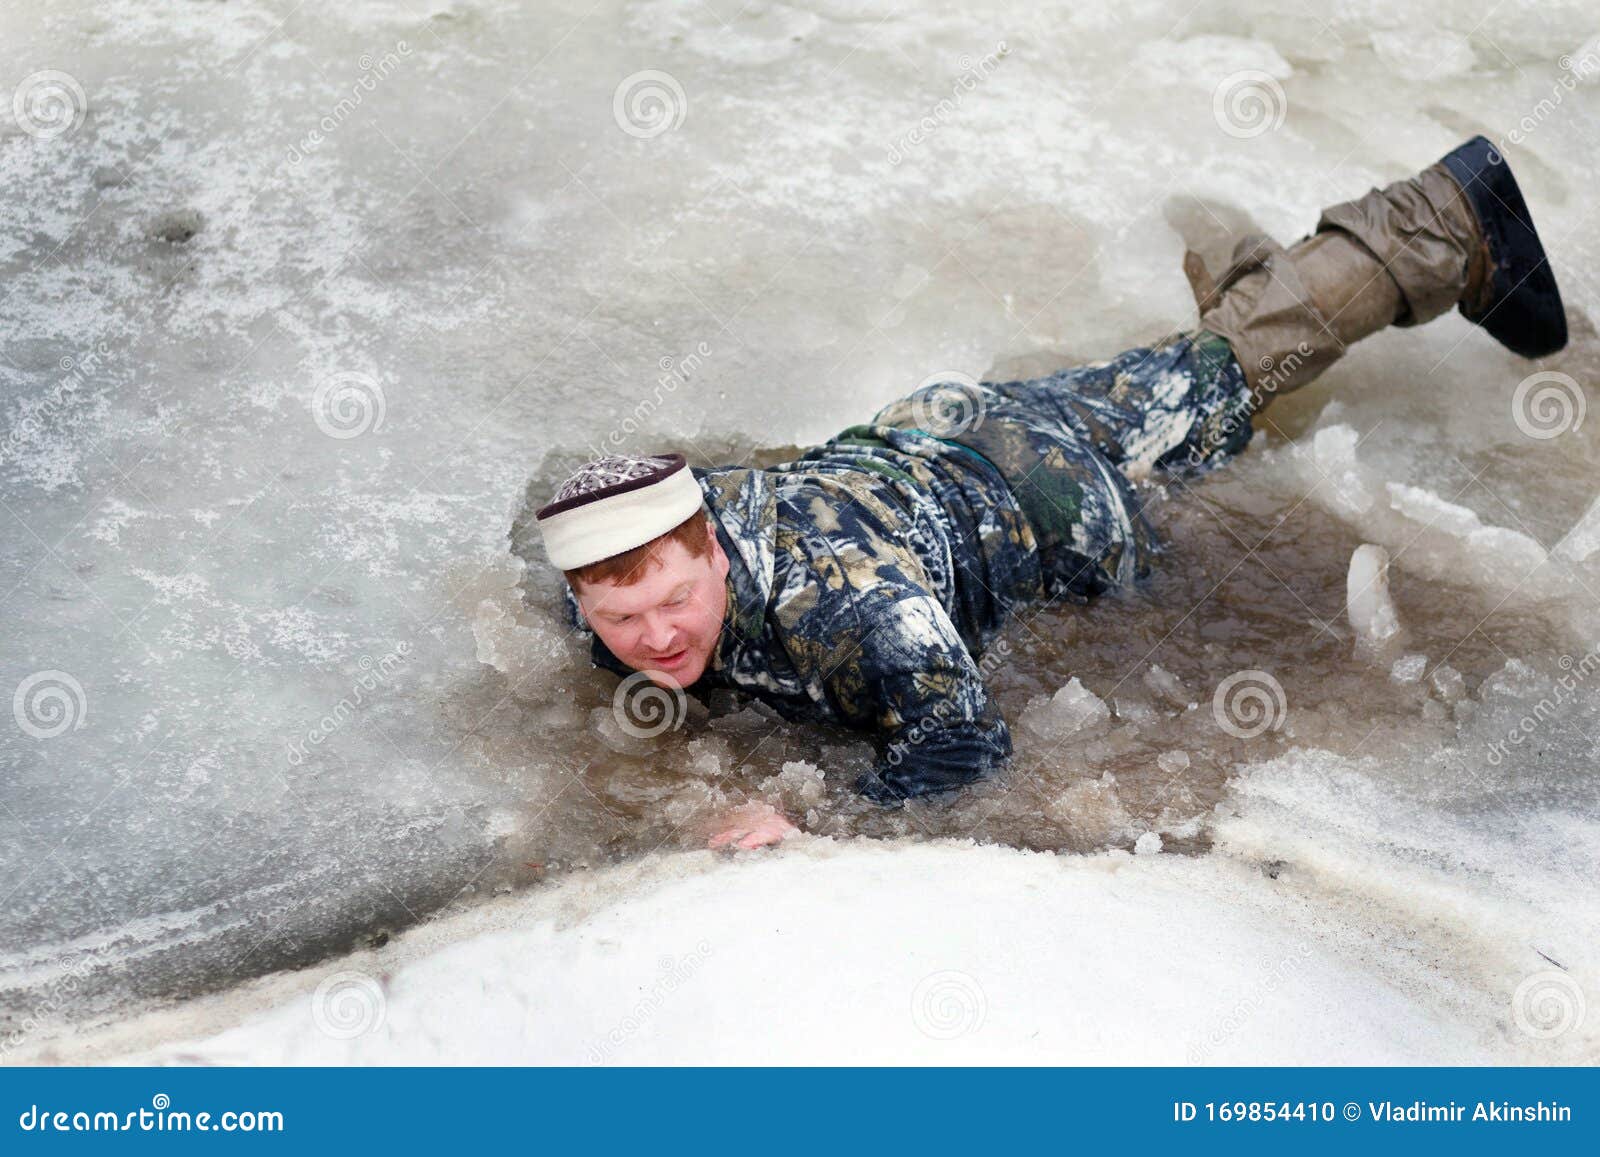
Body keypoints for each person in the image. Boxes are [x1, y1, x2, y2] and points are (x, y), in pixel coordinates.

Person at [532, 136, 1567, 849]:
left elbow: (962, 742)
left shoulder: (856, 612)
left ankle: (1440, 215)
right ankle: (1236, 318)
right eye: (622, 616)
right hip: (926, 435)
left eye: (675, 601)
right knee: (1174, 381)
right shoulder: (634, 550)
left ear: (713, 547)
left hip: (1048, 501)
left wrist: (819, 818)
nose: (657, 638)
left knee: (1217, 383)